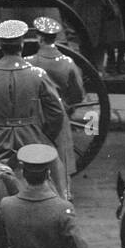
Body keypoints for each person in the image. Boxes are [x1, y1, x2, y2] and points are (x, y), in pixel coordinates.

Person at [0, 19, 69, 200]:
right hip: (30, 134)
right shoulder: (38, 74)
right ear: (22, 44)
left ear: (0, 45)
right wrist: (46, 133)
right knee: (56, 166)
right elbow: (56, 112)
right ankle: (63, 200)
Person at [28, 16, 81, 181]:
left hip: (35, 116)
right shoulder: (68, 62)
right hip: (60, 113)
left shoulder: (29, 62)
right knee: (60, 162)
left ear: (39, 37)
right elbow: (77, 94)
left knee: (34, 158)